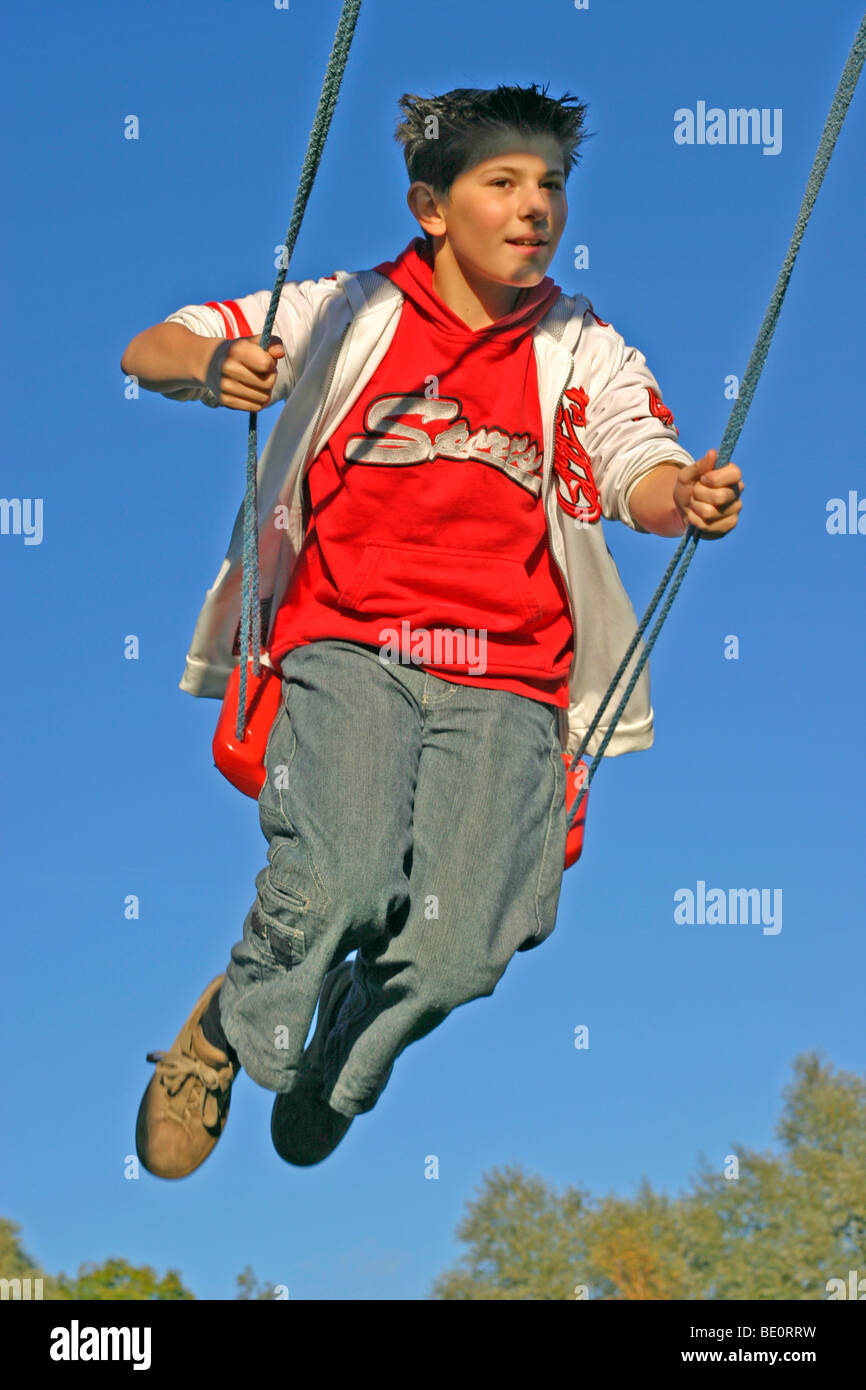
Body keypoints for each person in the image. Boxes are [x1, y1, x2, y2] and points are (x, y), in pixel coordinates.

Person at [119, 83, 744, 1180]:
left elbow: (631, 453)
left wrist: (677, 494)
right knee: (345, 878)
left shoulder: (578, 346)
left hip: (509, 670)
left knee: (463, 950)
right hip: (349, 641)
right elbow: (154, 344)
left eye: (549, 184)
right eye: (500, 183)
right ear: (429, 206)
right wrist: (211, 369)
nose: (532, 205)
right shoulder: (348, 310)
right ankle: (229, 1031)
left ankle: (345, 1051)